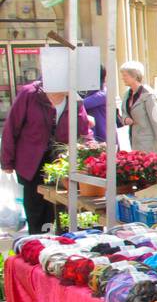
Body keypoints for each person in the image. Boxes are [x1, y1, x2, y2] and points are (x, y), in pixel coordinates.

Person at [1, 79, 93, 234]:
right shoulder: (30, 94)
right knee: (36, 209)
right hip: (31, 162)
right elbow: (11, 127)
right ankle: (37, 241)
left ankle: (61, 242)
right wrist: (7, 161)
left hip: (60, 162)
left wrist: (90, 153)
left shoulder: (74, 99)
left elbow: (84, 131)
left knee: (61, 206)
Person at [120, 60, 157, 154]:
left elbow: (156, 121)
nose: (122, 78)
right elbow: (124, 112)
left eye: (125, 75)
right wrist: (125, 119)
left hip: (148, 144)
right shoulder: (127, 94)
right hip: (134, 140)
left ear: (134, 76)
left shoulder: (147, 95)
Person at [83, 66, 108, 142]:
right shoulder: (94, 92)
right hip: (97, 133)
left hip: (102, 135)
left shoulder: (102, 94)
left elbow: (82, 104)